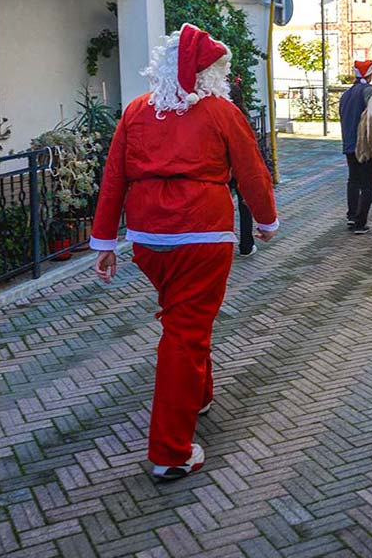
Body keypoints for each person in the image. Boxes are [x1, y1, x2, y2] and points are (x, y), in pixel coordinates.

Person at [89, 24, 278, 483]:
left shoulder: (136, 111)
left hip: (150, 240)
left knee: (185, 320)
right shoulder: (221, 112)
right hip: (204, 237)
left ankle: (200, 393)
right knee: (184, 333)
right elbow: (251, 170)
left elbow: (113, 177)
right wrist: (266, 219)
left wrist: (105, 241)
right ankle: (170, 451)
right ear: (205, 71)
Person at [339, 60, 372, 235]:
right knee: (368, 184)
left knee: (353, 181)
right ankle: (360, 223)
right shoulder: (369, 92)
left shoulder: (345, 95)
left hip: (348, 145)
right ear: (369, 75)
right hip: (365, 146)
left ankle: (352, 216)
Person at [228, 76, 257, 257]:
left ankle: (224, 240)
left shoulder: (216, 115)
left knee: (222, 204)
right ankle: (246, 244)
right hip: (241, 169)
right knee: (245, 204)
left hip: (222, 168)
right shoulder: (243, 119)